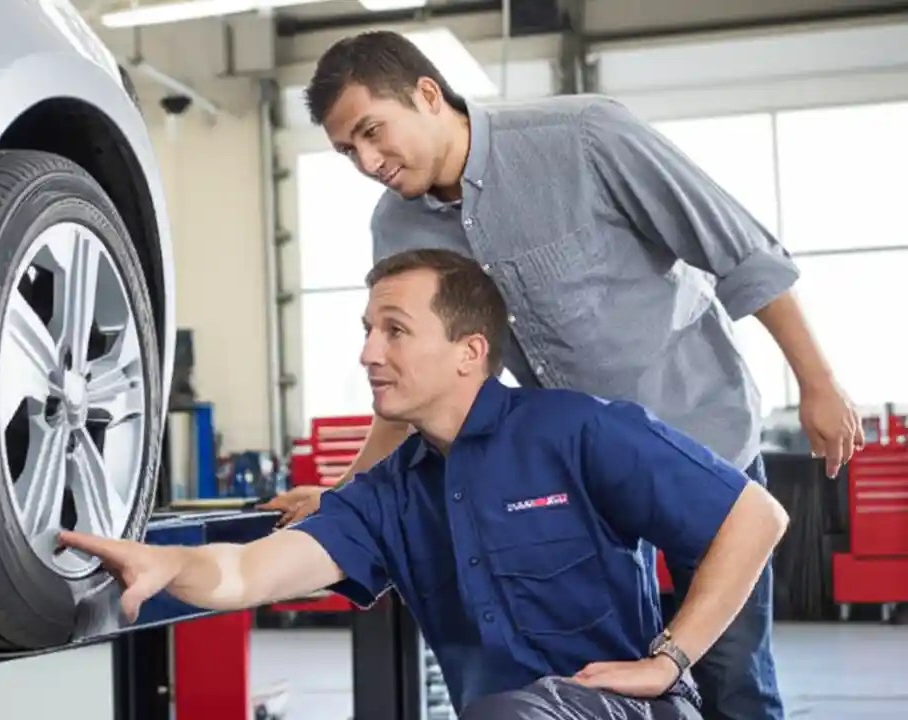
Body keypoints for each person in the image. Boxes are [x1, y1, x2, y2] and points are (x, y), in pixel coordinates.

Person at [260, 30, 863, 720]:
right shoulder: (399, 228)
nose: (367, 162)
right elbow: (412, 375)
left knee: (728, 678)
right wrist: (347, 494)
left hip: (700, 440)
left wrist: (817, 380)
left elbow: (740, 250)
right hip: (578, 479)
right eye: (346, 151)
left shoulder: (584, 140)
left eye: (373, 132)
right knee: (601, 680)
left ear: (427, 94)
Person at [62, 249, 790, 720]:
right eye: (367, 330)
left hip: (628, 710)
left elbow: (755, 516)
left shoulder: (576, 431)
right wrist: (169, 566)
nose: (368, 352)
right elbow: (249, 571)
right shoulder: (390, 495)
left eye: (394, 331)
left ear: (470, 352)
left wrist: (669, 660)